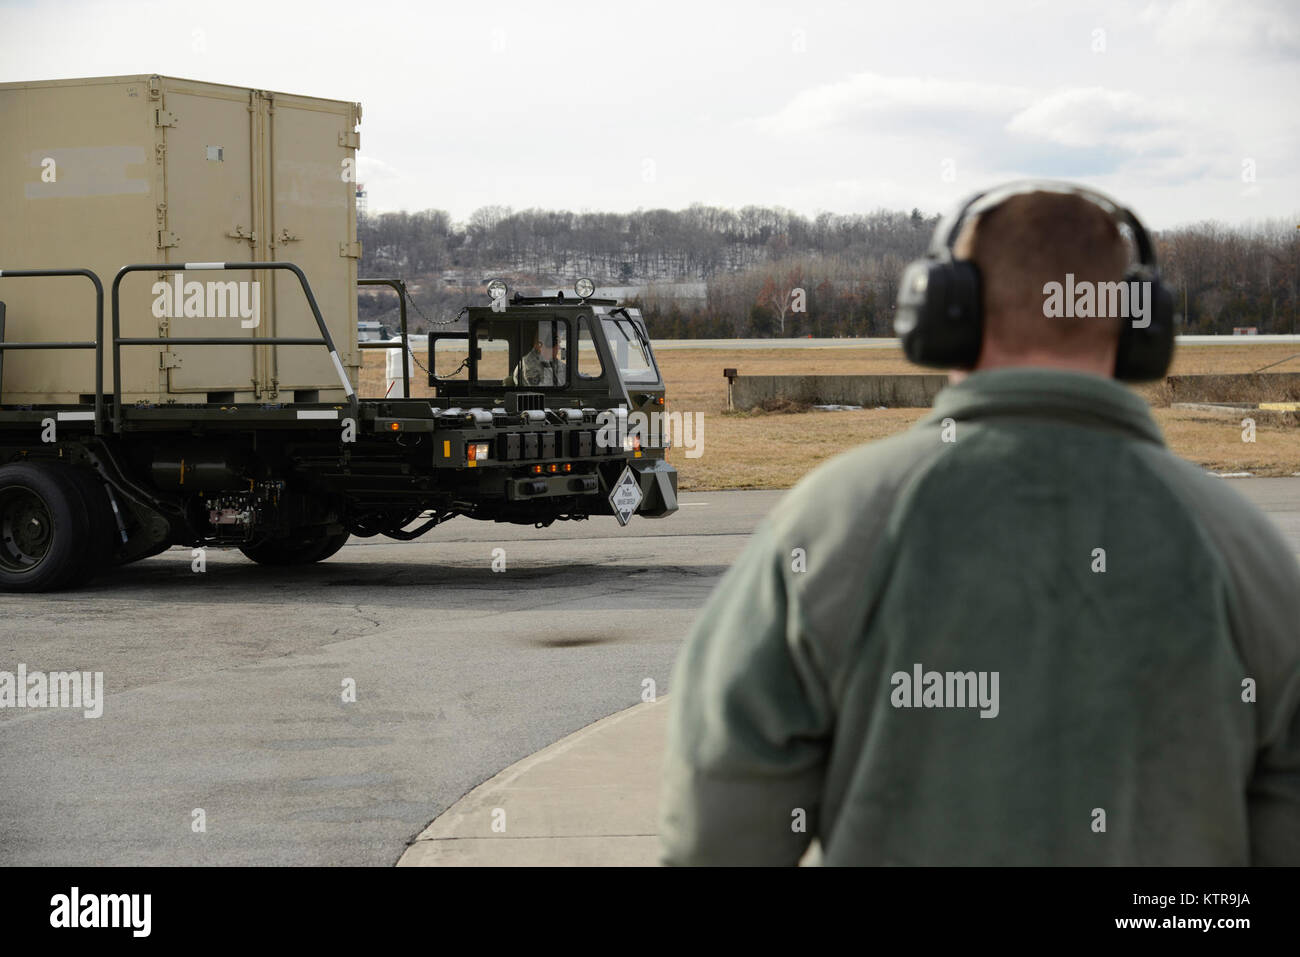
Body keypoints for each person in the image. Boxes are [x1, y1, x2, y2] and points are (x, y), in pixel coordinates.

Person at [658, 183, 1300, 866]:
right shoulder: (1249, 552)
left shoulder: (829, 524)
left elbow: (717, 837)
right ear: (1143, 328)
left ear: (941, 312)